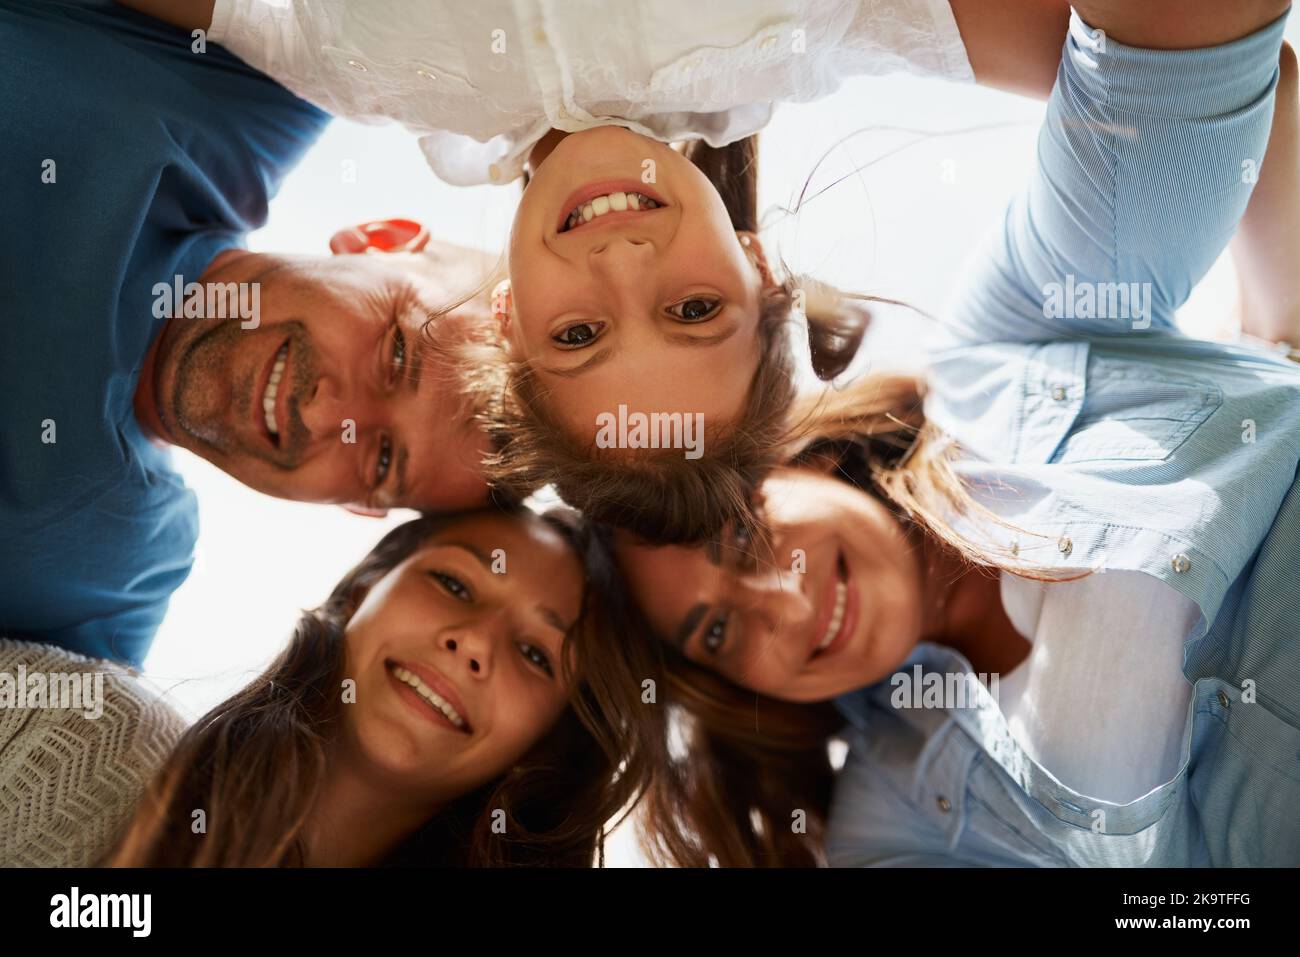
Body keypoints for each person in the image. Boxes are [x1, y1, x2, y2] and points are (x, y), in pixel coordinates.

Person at [617, 2, 1300, 866]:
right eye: (717, 632)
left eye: (746, 537)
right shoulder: (895, 818)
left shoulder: (1003, 345)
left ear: (806, 459)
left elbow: (1180, 79)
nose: (784, 608)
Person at [122, 0, 1078, 542]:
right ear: (755, 261)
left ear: (506, 316)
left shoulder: (346, 66)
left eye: (578, 335)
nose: (621, 265)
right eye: (695, 308)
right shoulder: (809, 32)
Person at [1, 1, 500, 667]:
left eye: (380, 461)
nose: (326, 411)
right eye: (397, 351)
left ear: (356, 506)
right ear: (380, 239)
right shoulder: (255, 86)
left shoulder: (112, 570)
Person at [1, 505, 666, 867]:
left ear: (540, 748)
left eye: (535, 653)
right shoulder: (71, 728)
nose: (475, 643)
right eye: (454, 584)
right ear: (358, 593)